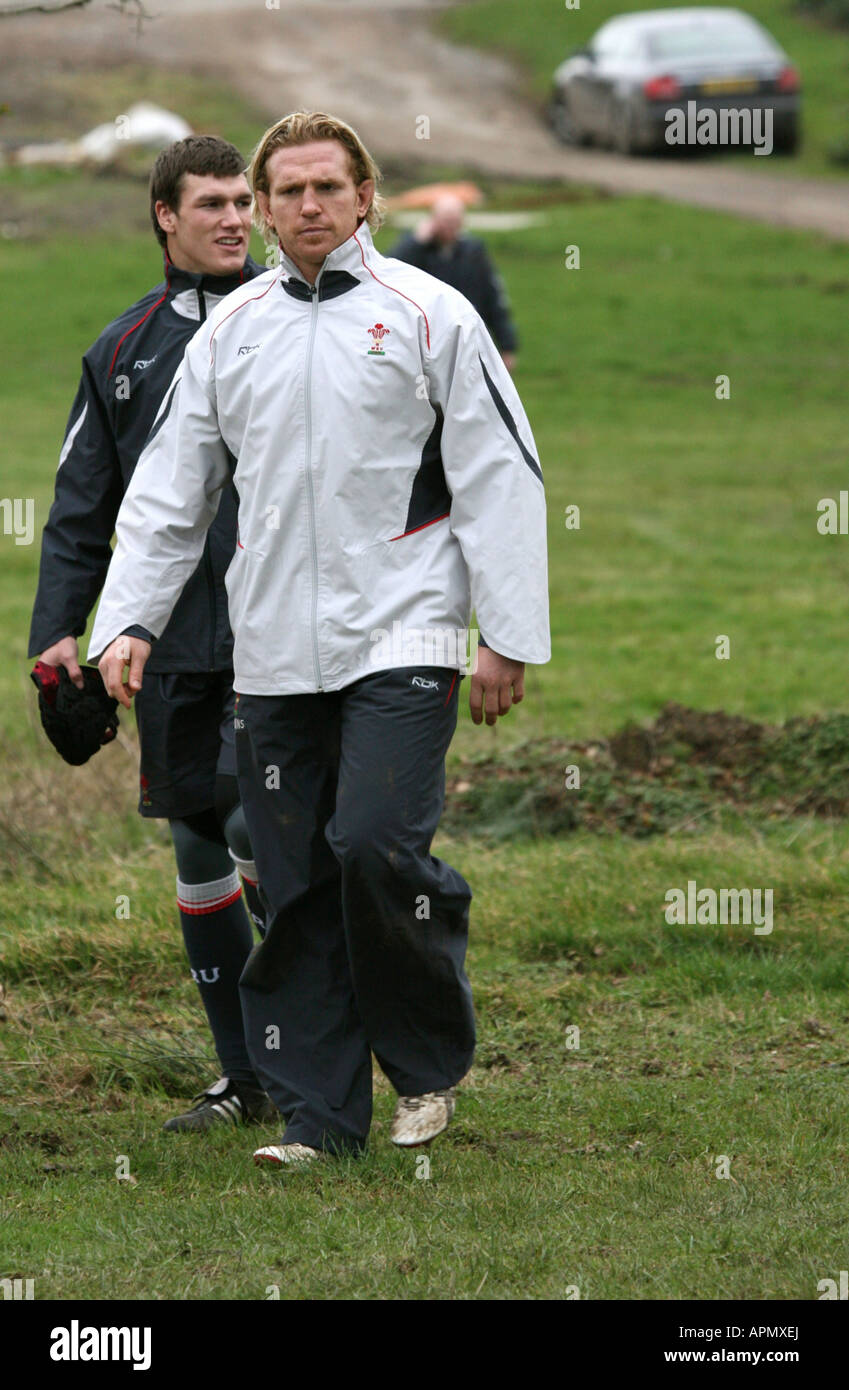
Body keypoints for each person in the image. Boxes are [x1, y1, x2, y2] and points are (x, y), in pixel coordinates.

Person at [90, 110, 550, 1166]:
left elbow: (500, 474)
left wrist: (507, 634)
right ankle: (320, 1120)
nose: (307, 206)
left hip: (406, 630)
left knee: (377, 845)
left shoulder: (431, 313)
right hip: (272, 649)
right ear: (262, 205)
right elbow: (170, 491)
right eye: (286, 190)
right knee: (293, 879)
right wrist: (128, 619)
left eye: (327, 187)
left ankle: (424, 1066)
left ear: (365, 196)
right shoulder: (231, 332)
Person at [28, 135, 277, 1134]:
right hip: (166, 639)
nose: (234, 220)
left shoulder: (292, 319)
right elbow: (81, 503)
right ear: (165, 218)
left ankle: (316, 1046)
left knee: (262, 829)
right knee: (199, 840)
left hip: (277, 628)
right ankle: (245, 1077)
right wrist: (59, 630)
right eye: (211, 203)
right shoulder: (121, 350)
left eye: (242, 202)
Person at [389, 192, 519, 372]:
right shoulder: (416, 249)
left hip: (466, 339)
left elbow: (493, 298)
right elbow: (390, 274)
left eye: (454, 221)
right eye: (445, 221)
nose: (450, 227)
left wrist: (507, 346)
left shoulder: (474, 253)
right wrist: (416, 242)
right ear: (433, 220)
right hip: (426, 340)